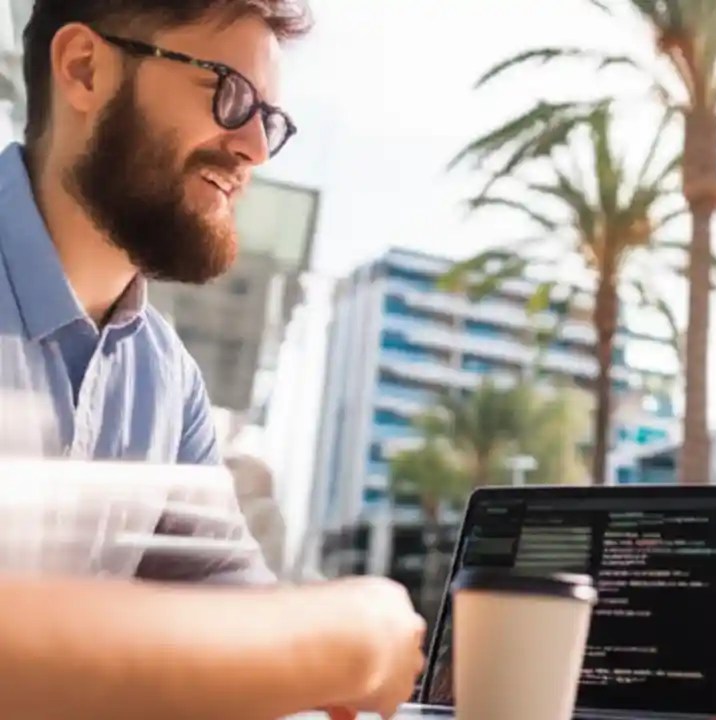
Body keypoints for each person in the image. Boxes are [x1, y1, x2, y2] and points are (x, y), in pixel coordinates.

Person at [0, 2, 427, 717]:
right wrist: (340, 642)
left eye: (270, 119)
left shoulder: (166, 383)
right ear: (84, 70)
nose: (255, 147)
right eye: (229, 92)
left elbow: (243, 625)